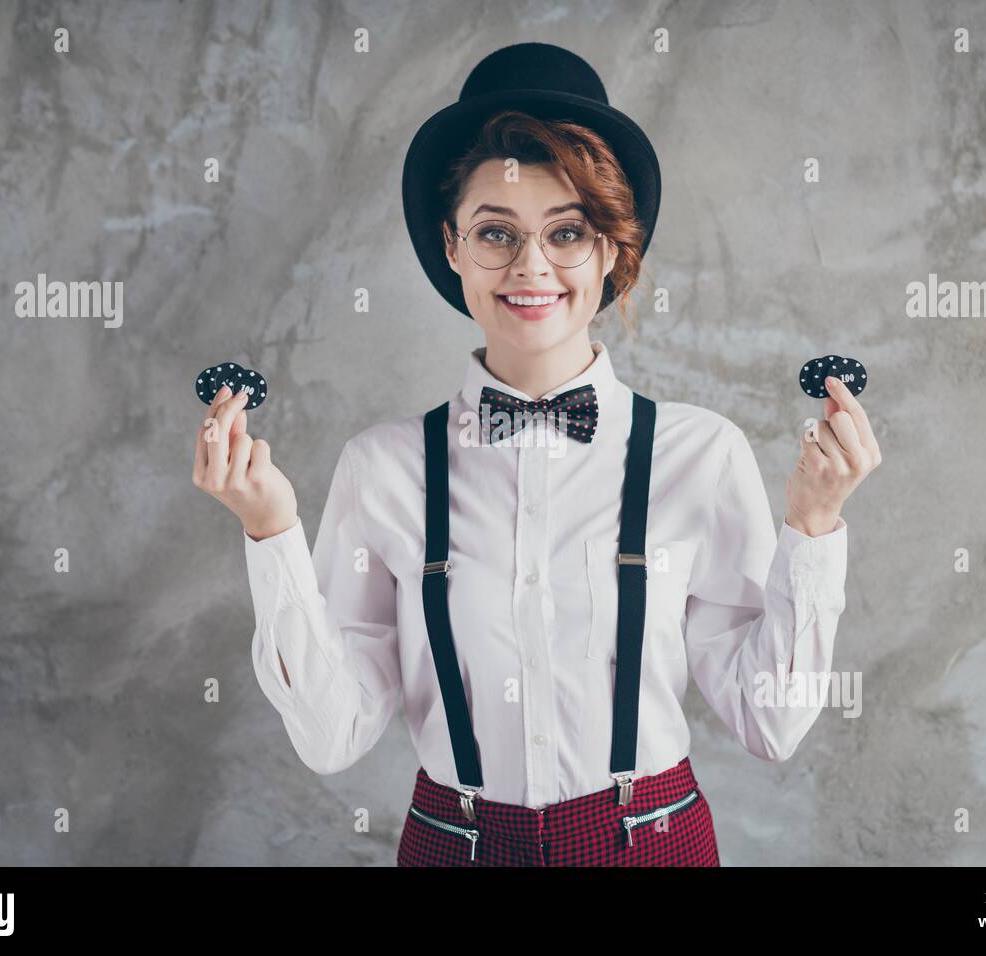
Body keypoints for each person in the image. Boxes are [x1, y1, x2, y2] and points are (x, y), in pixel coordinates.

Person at [192, 42, 881, 866]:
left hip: (651, 845)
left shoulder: (700, 455)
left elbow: (769, 721)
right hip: (455, 846)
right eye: (496, 233)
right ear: (452, 247)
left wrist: (814, 525)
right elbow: (334, 733)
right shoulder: (383, 470)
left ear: (613, 251)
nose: (531, 267)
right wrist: (271, 533)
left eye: (568, 232)